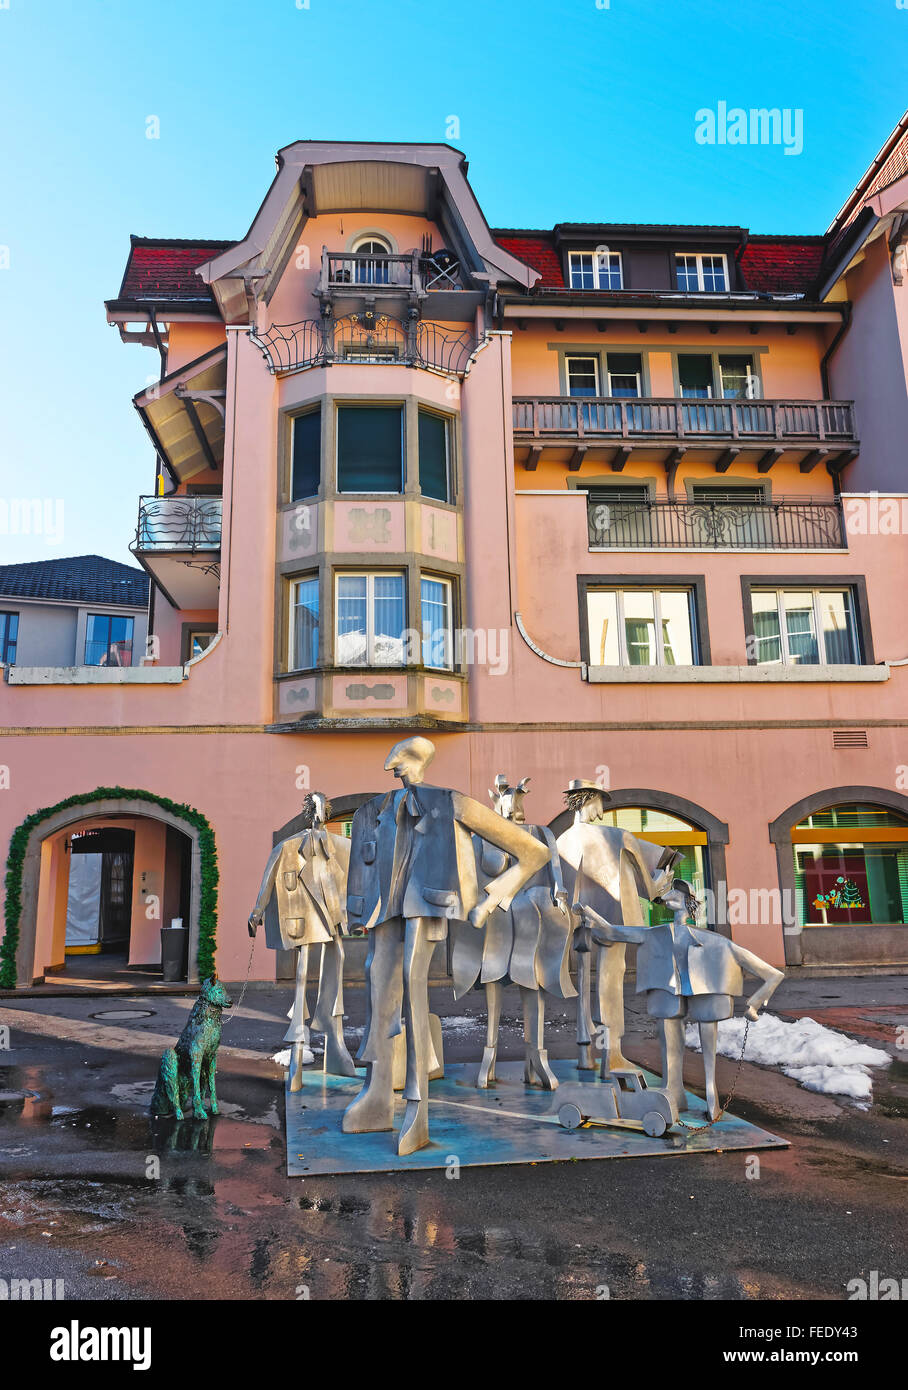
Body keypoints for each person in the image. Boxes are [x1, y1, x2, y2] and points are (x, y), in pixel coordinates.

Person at [342, 736, 550, 1155]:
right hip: (386, 912)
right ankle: (378, 1091)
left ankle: (417, 1104)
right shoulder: (375, 810)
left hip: (427, 905)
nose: (395, 771)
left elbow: (533, 851)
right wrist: (357, 911)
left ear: (419, 763)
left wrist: (491, 900)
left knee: (411, 985)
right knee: (377, 981)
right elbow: (361, 867)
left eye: (401, 763)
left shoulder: (450, 802)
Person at [578, 880, 784, 1120]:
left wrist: (757, 1001)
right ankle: (672, 1092)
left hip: (706, 992)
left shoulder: (715, 942)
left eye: (677, 891)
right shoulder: (656, 934)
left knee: (708, 1042)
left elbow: (773, 974)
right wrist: (590, 917)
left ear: (689, 901)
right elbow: (613, 932)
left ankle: (711, 1095)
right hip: (668, 990)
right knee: (668, 1040)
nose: (671, 895)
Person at [450, 774, 574, 1089]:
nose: (512, 806)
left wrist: (559, 900)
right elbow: (469, 879)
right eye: (506, 797)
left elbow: (557, 877)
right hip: (495, 923)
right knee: (492, 983)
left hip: (531, 920)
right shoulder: (483, 837)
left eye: (516, 799)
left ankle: (536, 1055)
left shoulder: (541, 834)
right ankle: (488, 1054)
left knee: (532, 984)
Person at [556, 780, 680, 1070]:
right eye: (601, 801)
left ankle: (585, 1052)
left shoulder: (561, 841)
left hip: (577, 918)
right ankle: (611, 1054)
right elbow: (650, 890)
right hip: (613, 918)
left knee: (584, 972)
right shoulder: (618, 836)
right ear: (592, 800)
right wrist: (662, 882)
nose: (603, 808)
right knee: (611, 976)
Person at [248, 792, 355, 1087]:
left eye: (322, 810)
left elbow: (360, 877)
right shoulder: (289, 847)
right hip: (305, 920)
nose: (319, 815)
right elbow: (269, 878)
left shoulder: (342, 846)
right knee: (302, 975)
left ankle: (336, 1043)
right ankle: (297, 1046)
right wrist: (256, 913)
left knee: (336, 969)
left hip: (332, 919)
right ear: (309, 813)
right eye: (315, 809)